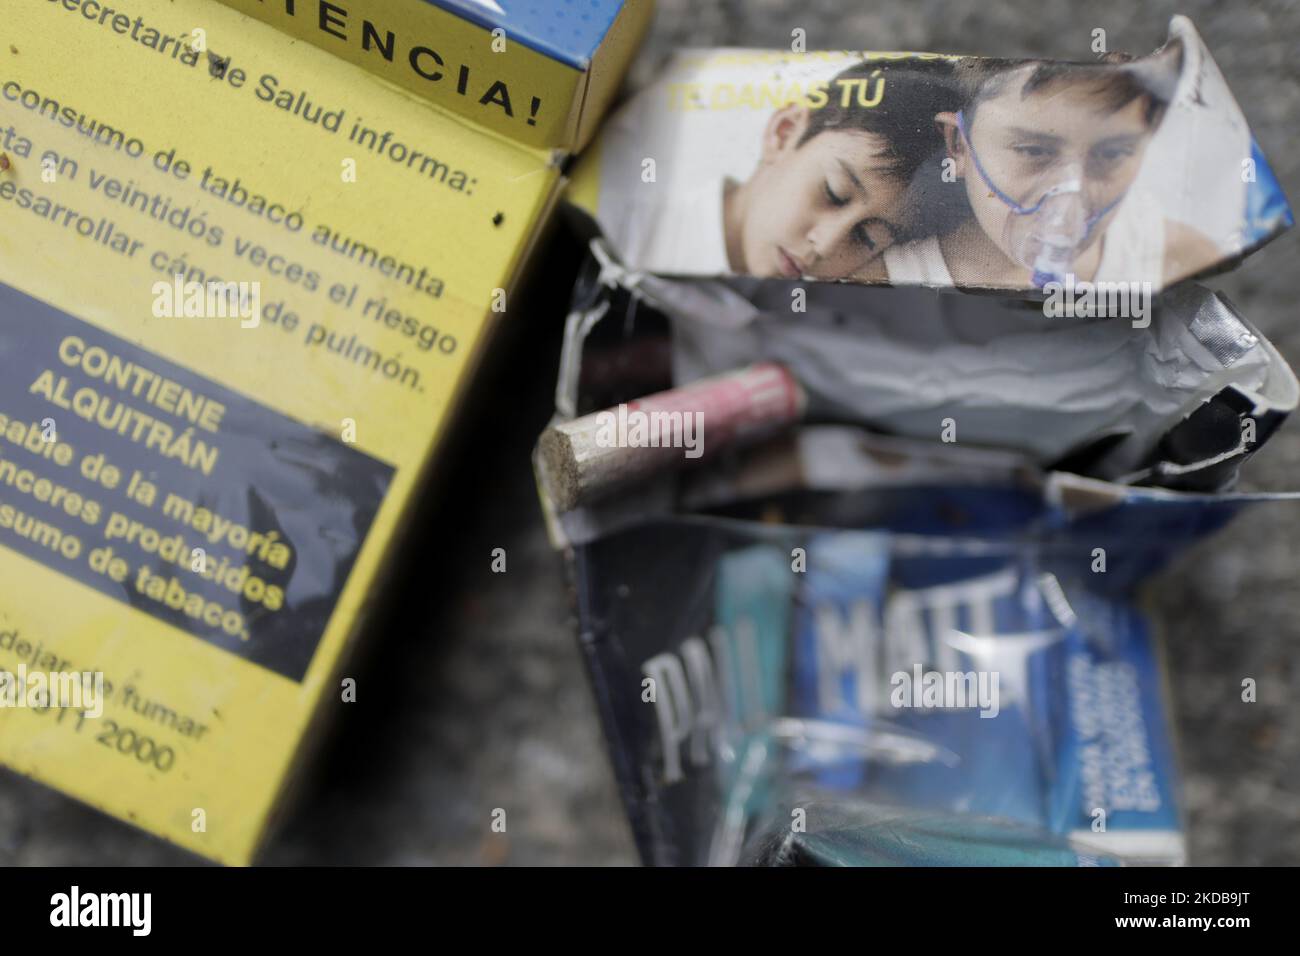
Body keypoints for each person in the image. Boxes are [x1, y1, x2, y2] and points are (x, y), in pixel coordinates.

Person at [884, 44, 1222, 290]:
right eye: (1033, 151)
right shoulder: (892, 276)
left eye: (1111, 154)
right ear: (958, 145)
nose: (1071, 195)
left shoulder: (1172, 251)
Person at [604, 56, 961, 280]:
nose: (824, 244)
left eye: (868, 239)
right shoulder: (619, 237)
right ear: (784, 132)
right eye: (834, 194)